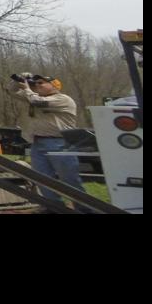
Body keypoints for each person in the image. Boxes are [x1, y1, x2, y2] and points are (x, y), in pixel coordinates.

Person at [9, 73, 92, 213]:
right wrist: (19, 80)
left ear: (54, 85)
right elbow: (12, 91)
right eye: (36, 83)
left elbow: (36, 102)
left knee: (69, 179)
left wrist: (28, 89)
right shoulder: (33, 96)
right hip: (38, 142)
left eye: (41, 83)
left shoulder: (63, 99)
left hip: (60, 143)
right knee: (43, 178)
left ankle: (84, 209)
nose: (37, 85)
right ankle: (53, 207)